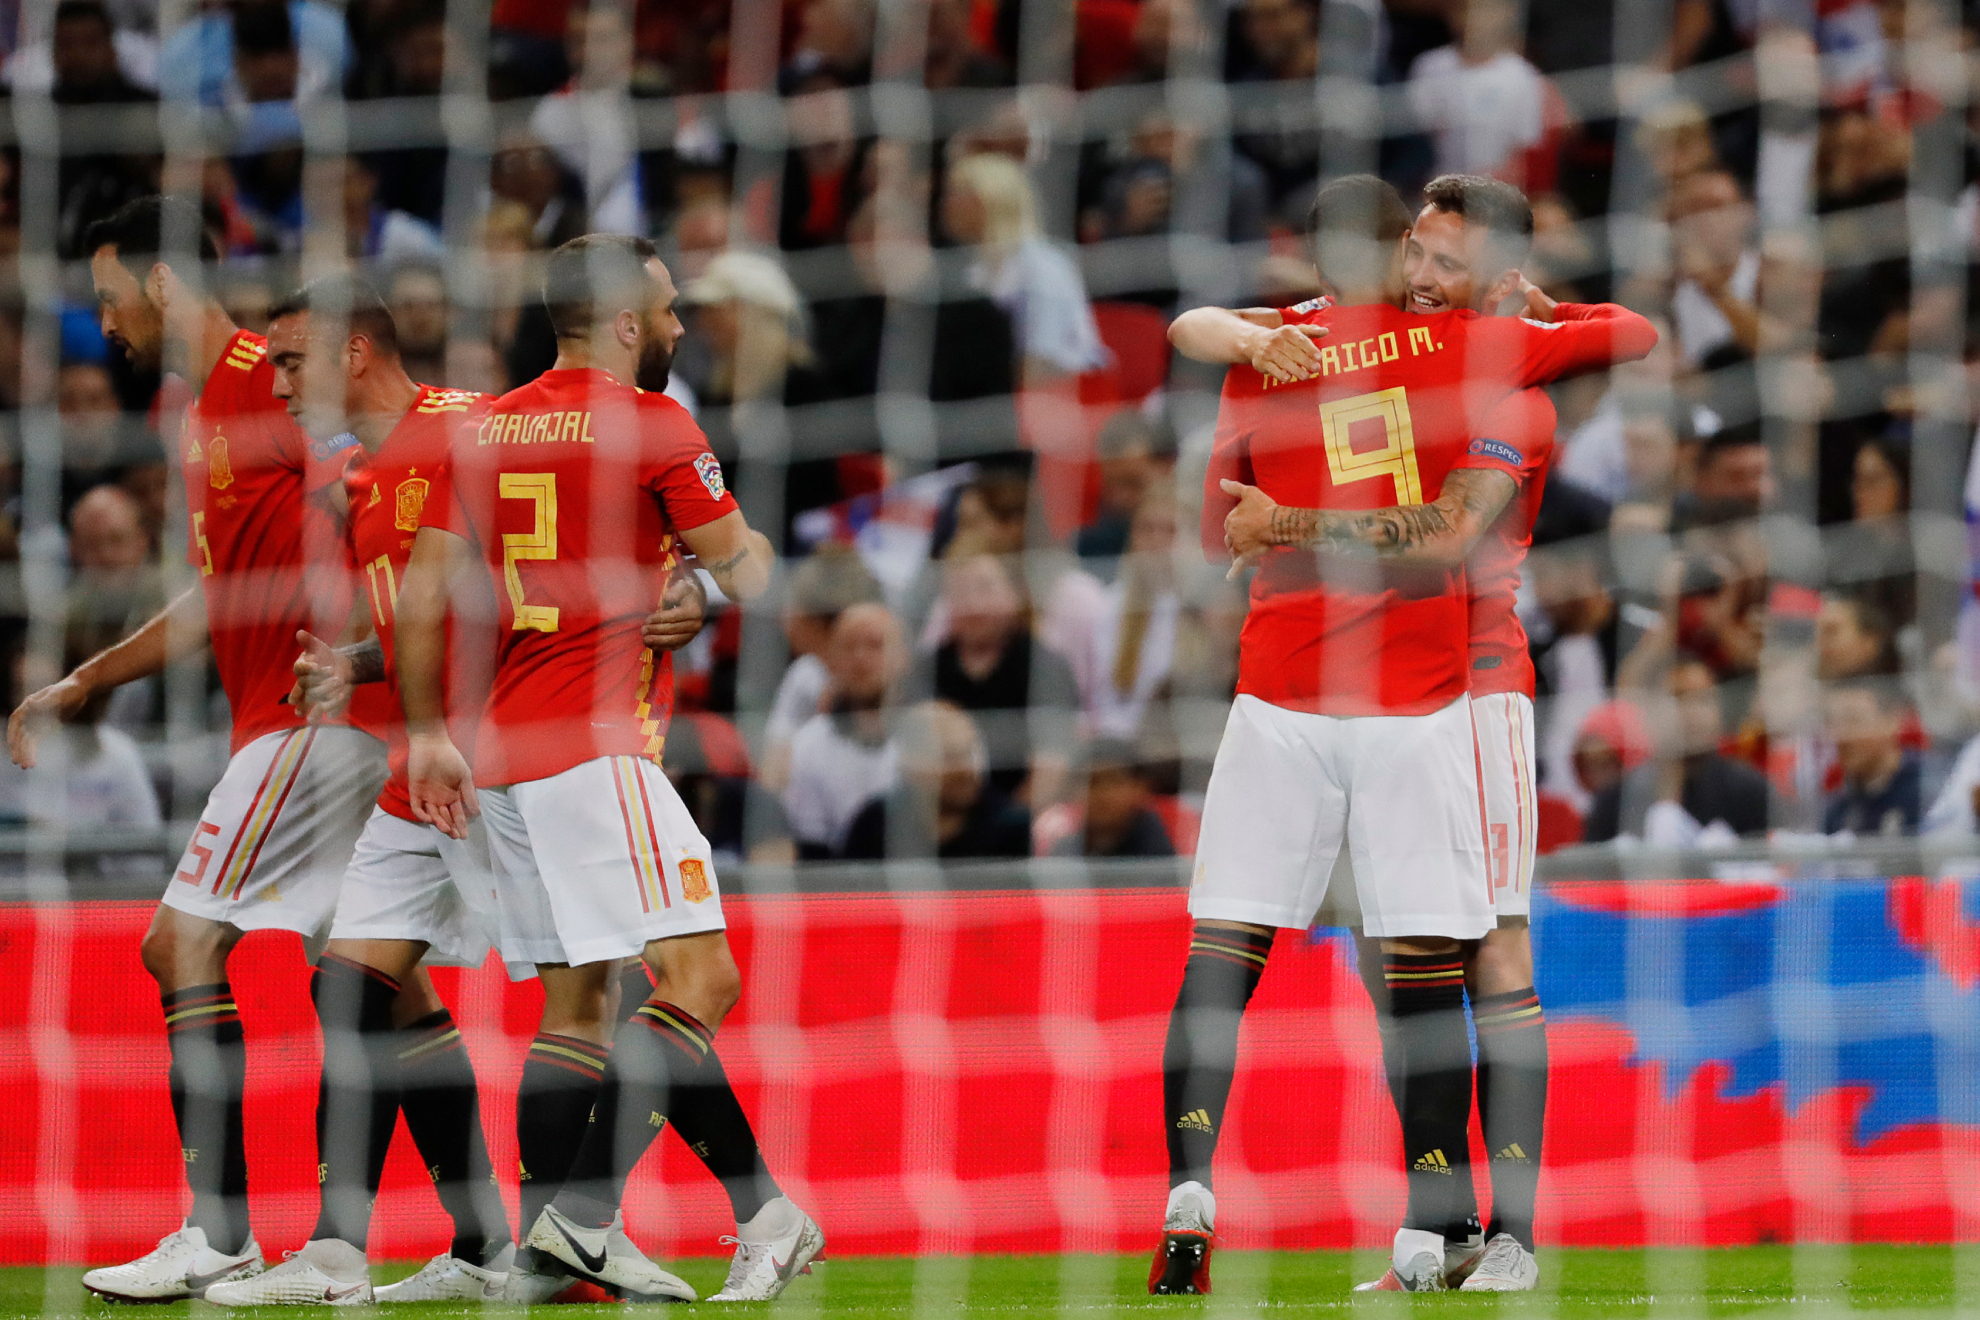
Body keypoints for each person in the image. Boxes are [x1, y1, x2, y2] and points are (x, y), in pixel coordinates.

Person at [1153, 173, 1655, 1296]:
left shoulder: (1501, 362)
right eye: (1413, 253)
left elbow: (1629, 334)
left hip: (1474, 683)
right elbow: (1208, 328)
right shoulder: (1381, 345)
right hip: (1383, 686)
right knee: (1408, 961)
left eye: (1443, 260)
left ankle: (1509, 1234)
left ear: (1498, 277)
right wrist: (1236, 324)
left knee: (1498, 953)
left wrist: (1538, 313)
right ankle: (1436, 1231)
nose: (1421, 275)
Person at [393, 234, 823, 1303]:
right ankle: (752, 1212)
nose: (679, 327)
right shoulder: (655, 421)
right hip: (593, 749)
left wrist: (425, 734)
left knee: (578, 1005)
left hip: (499, 758)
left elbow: (426, 596)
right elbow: (748, 574)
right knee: (703, 979)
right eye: (669, 309)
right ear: (626, 320)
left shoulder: (487, 427)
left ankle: (559, 1244)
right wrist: (717, 573)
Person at [10, 195, 395, 1304]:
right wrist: (88, 680)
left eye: (109, 296)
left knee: (178, 946)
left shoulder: (261, 378)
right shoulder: (200, 408)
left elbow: (383, 488)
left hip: (312, 723)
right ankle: (455, 1241)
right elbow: (219, 595)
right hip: (313, 722)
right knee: (385, 981)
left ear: (163, 283)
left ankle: (217, 1231)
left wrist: (372, 655)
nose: (106, 322)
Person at [1582, 654, 1770, 843]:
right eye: (1678, 699)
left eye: (1704, 699)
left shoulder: (1749, 791)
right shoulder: (1617, 802)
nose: (1695, 713)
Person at [783, 601, 904, 858]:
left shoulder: (931, 736)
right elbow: (810, 847)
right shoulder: (806, 747)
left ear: (903, 656)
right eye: (849, 647)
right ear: (830, 660)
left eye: (875, 645)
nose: (860, 659)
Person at [841, 700, 1031, 860]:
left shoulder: (1011, 826)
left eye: (969, 753)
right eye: (948, 757)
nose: (965, 769)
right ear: (909, 764)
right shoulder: (875, 824)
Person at [1823, 678, 1922, 837]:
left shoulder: (1927, 791)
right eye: (1833, 723)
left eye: (1853, 720)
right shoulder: (1839, 808)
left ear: (1891, 722)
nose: (1841, 736)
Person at [1051, 740, 1176, 858]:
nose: (1102, 794)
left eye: (1114, 781)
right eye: (1093, 782)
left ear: (1140, 787)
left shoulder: (1159, 854)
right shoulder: (1066, 851)